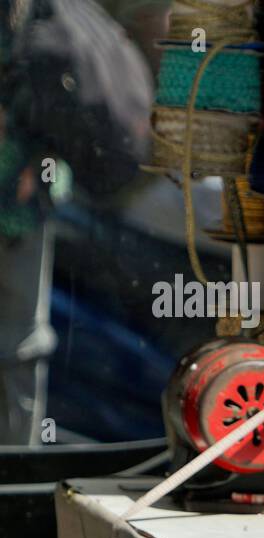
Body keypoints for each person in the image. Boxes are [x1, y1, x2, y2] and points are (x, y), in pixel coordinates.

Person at [0, 0, 151, 443]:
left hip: (18, 197)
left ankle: (13, 481)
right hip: (30, 197)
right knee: (22, 348)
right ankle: (15, 478)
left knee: (20, 346)